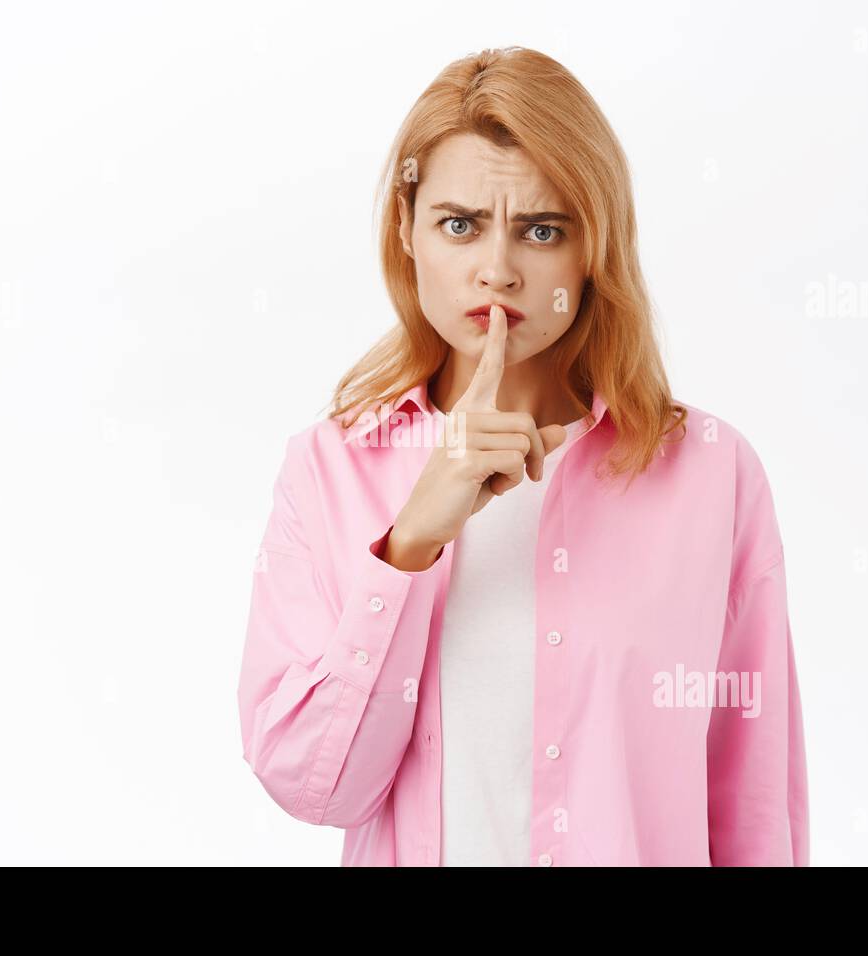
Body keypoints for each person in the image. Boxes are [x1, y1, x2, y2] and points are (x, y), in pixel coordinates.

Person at [236, 46, 808, 866]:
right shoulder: (328, 471)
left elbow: (754, 810)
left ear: (593, 250)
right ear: (407, 232)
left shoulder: (712, 476)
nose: (496, 271)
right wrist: (409, 546)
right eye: (458, 224)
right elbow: (316, 788)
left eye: (542, 230)